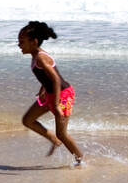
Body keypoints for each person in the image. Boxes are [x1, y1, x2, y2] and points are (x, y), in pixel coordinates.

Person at [18, 21, 84, 165]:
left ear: (34, 42)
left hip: (62, 95)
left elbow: (55, 80)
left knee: (62, 133)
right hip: (50, 93)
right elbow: (46, 77)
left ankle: (80, 161)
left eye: (22, 41)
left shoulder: (41, 57)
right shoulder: (35, 56)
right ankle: (53, 139)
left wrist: (57, 105)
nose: (19, 45)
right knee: (27, 120)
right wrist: (42, 90)